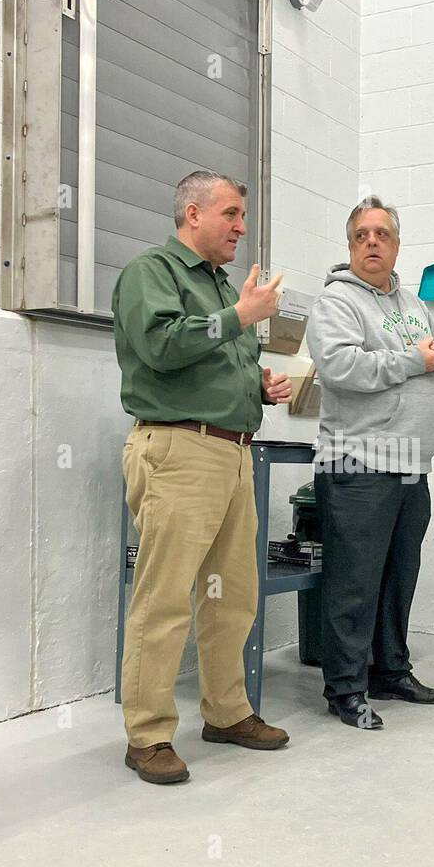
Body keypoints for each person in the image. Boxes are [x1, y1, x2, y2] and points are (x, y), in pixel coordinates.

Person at [113, 170, 294, 784]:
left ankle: (227, 711)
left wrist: (260, 386)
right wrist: (241, 315)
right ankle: (147, 735)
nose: (242, 228)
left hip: (233, 453)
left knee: (232, 596)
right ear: (193, 214)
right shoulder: (151, 273)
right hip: (178, 451)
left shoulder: (220, 285)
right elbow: (162, 347)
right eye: (232, 215)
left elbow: (209, 362)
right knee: (163, 601)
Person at [306, 196, 434, 729]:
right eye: (362, 235)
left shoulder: (414, 304)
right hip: (359, 461)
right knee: (354, 582)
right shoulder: (336, 302)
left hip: (409, 463)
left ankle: (390, 671)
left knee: (399, 576)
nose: (373, 242)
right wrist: (419, 360)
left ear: (396, 245)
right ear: (351, 245)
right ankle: (346, 688)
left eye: (382, 234)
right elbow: (341, 366)